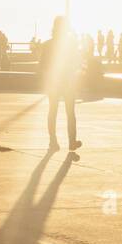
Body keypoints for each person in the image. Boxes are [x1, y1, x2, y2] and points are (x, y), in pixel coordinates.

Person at [43, 16, 82, 153]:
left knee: (52, 111)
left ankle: (53, 141)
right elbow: (78, 62)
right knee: (70, 113)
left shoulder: (47, 45)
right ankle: (72, 142)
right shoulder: (71, 44)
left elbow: (43, 66)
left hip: (53, 83)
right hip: (68, 82)